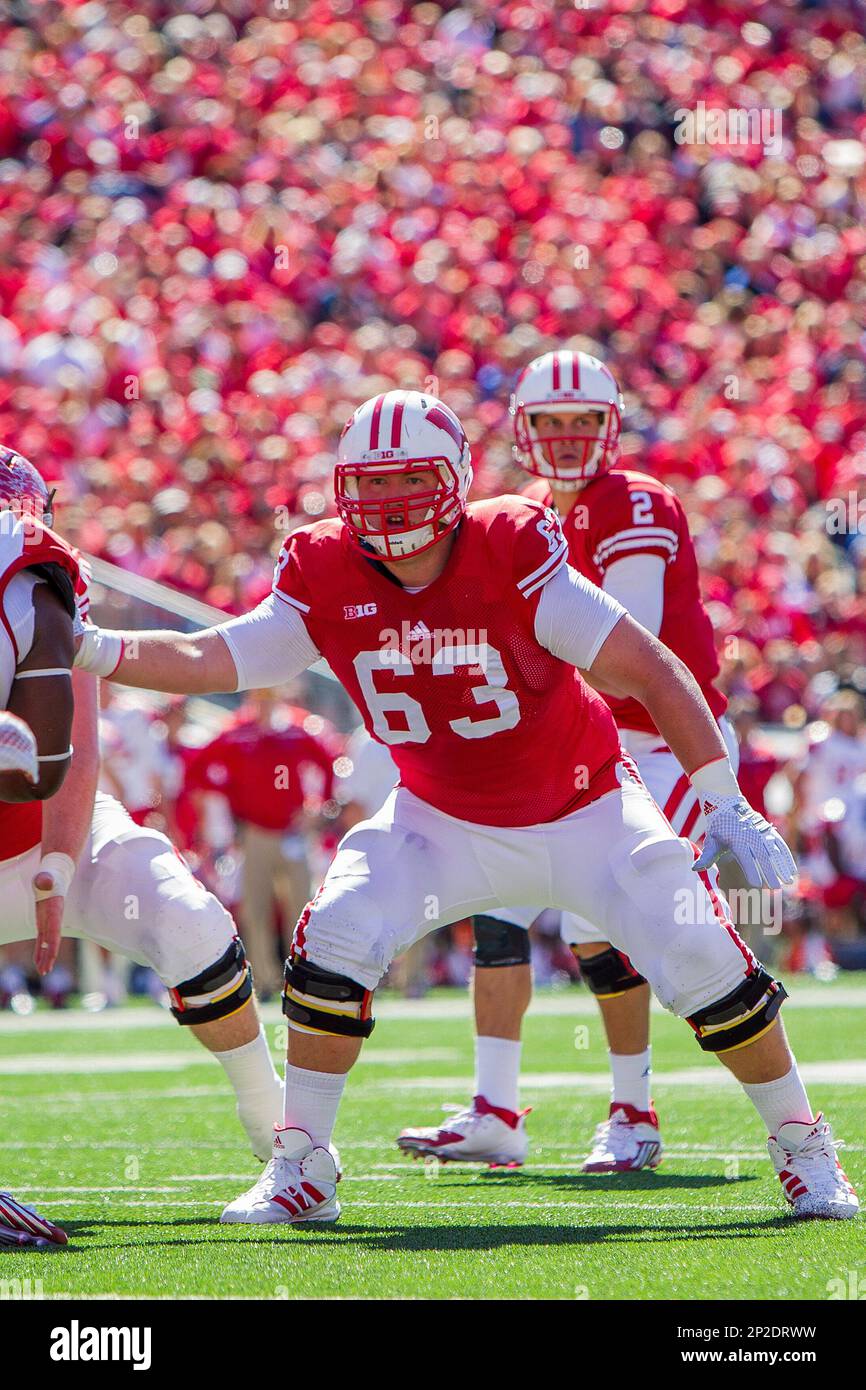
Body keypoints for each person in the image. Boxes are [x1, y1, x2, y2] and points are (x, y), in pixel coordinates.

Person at [76, 389, 858, 1226]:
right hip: (438, 820)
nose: (387, 503)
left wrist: (722, 799)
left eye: (408, 480)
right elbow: (212, 655)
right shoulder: (323, 566)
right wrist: (93, 648)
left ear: (455, 479)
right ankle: (302, 1162)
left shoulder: (511, 546)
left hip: (583, 810)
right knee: (339, 925)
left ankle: (804, 1147)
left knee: (703, 954)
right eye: (368, 485)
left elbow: (651, 667)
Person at [398, 350, 736, 1172]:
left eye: (584, 420)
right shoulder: (521, 515)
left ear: (611, 426)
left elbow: (627, 645)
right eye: (549, 421)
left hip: (660, 747)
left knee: (596, 916)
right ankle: (496, 1111)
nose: (567, 435)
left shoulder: (637, 504)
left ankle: (634, 1111)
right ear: (522, 428)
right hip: (572, 744)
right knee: (499, 904)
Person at [0, 448, 286, 1203]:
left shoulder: (39, 589)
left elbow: (78, 746)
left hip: (57, 831)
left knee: (188, 920)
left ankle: (274, 1121)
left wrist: (56, 870)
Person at [185, 690, 337, 998]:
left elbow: (328, 763)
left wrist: (319, 809)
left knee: (301, 909)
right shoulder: (238, 733)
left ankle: (302, 977)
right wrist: (230, 802)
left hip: (293, 833)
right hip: (254, 833)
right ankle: (266, 981)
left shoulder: (296, 731)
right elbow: (199, 769)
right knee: (256, 909)